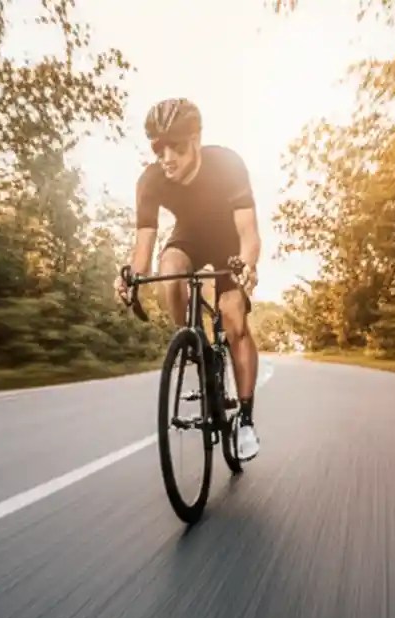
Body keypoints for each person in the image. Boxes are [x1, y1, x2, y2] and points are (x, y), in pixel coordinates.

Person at [115, 97, 262, 461]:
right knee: (170, 276)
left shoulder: (227, 164)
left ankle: (244, 420)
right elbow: (144, 247)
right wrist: (131, 276)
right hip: (189, 236)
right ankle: (197, 346)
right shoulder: (150, 180)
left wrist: (246, 265)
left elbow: (248, 233)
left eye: (176, 146)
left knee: (233, 316)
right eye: (158, 147)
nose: (166, 157)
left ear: (196, 139)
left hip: (228, 242)